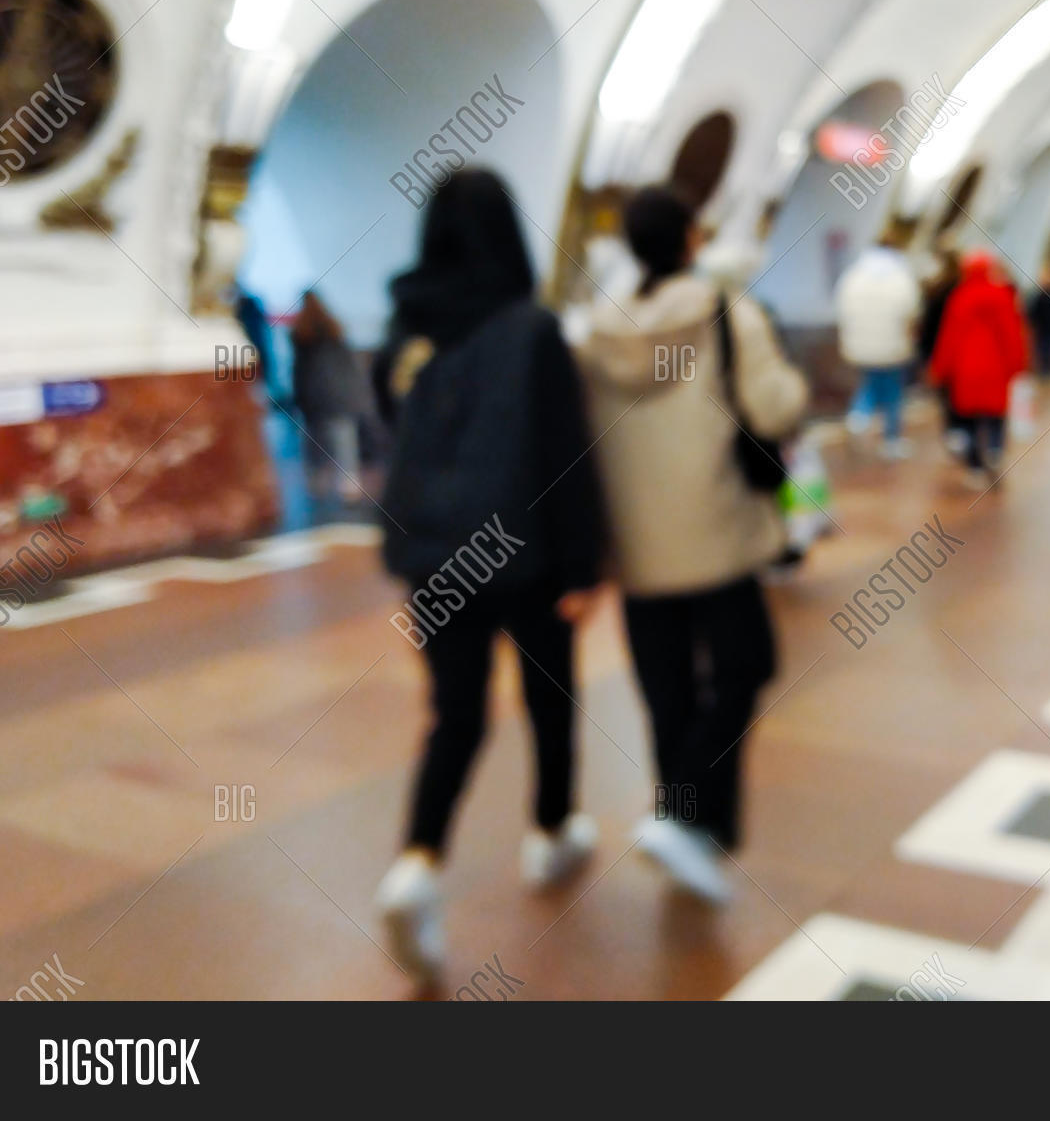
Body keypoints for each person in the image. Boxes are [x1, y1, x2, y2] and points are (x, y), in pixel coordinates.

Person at [370, 169, 606, 988]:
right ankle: (552, 830)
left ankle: (417, 861)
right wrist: (583, 564)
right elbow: (564, 453)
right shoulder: (532, 330)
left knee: (456, 716)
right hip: (522, 552)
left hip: (431, 553)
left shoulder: (405, 330)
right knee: (550, 697)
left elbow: (396, 426)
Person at [576, 186, 808, 904]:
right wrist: (791, 380)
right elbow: (775, 405)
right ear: (689, 241)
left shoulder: (598, 334)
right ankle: (681, 819)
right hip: (717, 533)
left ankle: (697, 830)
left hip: (636, 547)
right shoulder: (726, 315)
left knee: (667, 692)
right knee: (748, 665)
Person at [929, 250, 1030, 489]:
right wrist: (1018, 364)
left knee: (970, 418)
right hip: (996, 368)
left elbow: (949, 338)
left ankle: (975, 466)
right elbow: (1012, 334)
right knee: (995, 413)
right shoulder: (1002, 295)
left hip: (966, 370)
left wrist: (940, 368)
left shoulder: (959, 297)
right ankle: (995, 451)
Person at [835, 230, 921, 459]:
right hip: (892, 345)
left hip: (861, 345)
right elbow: (911, 310)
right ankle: (891, 439)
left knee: (871, 382)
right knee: (892, 391)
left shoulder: (854, 274)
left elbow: (842, 308)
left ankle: (858, 416)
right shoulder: (901, 277)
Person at [289, 290, 369, 504]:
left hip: (315, 397)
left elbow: (299, 372)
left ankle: (317, 483)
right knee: (344, 442)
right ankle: (349, 487)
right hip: (340, 395)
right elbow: (349, 367)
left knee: (314, 443)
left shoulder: (301, 334)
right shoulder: (335, 329)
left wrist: (299, 398)